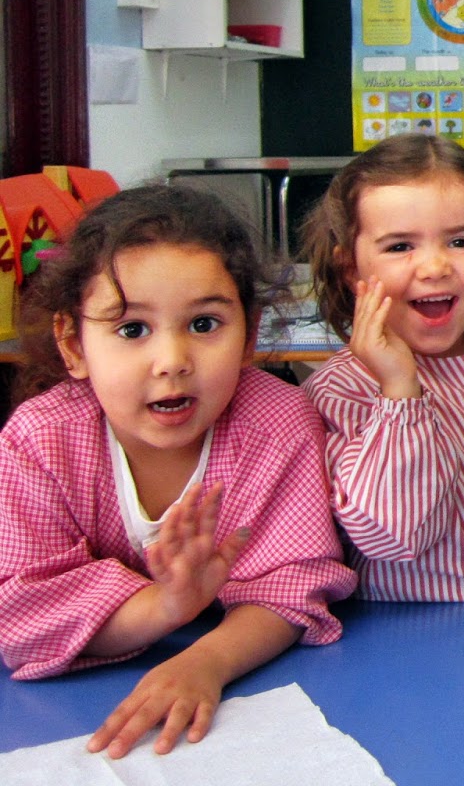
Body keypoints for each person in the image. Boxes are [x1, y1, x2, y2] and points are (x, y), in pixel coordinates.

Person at [0, 185, 355, 759]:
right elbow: (25, 610)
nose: (172, 362)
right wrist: (165, 607)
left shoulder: (279, 424)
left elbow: (289, 585)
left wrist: (206, 661)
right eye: (132, 329)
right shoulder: (39, 440)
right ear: (73, 344)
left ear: (249, 332)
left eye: (205, 324)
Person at [301, 133, 464, 602]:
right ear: (350, 269)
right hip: (414, 650)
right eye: (399, 246)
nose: (433, 266)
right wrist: (399, 390)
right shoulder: (340, 390)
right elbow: (393, 534)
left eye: (460, 241)